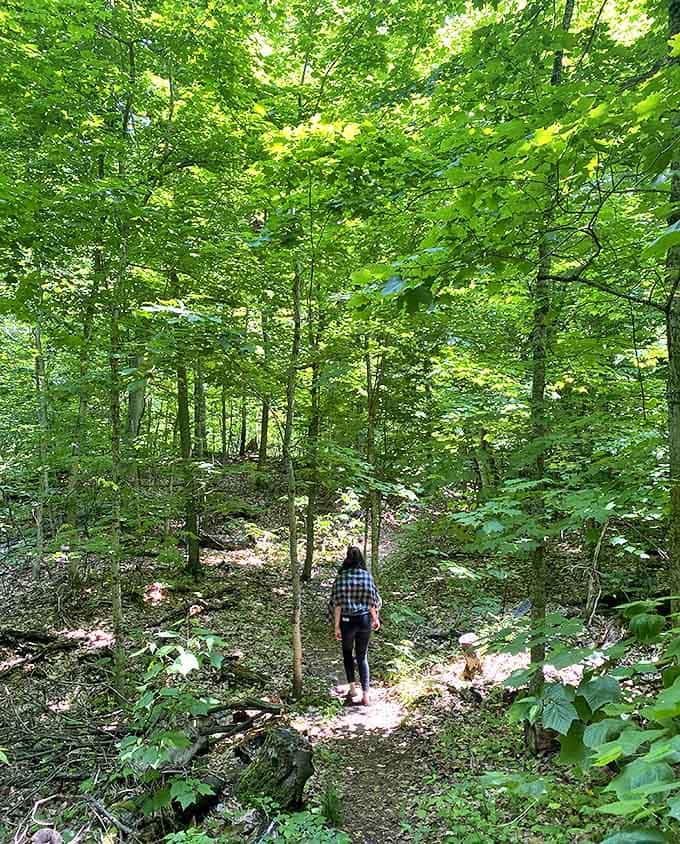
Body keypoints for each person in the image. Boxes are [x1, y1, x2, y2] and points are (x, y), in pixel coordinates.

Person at [327, 545, 382, 706]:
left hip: (346, 621)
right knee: (362, 656)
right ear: (361, 559)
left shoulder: (341, 577)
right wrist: (375, 618)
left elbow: (337, 604)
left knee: (347, 653)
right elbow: (372, 601)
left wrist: (336, 626)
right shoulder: (366, 576)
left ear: (347, 558)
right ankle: (366, 695)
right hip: (364, 619)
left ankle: (352, 689)